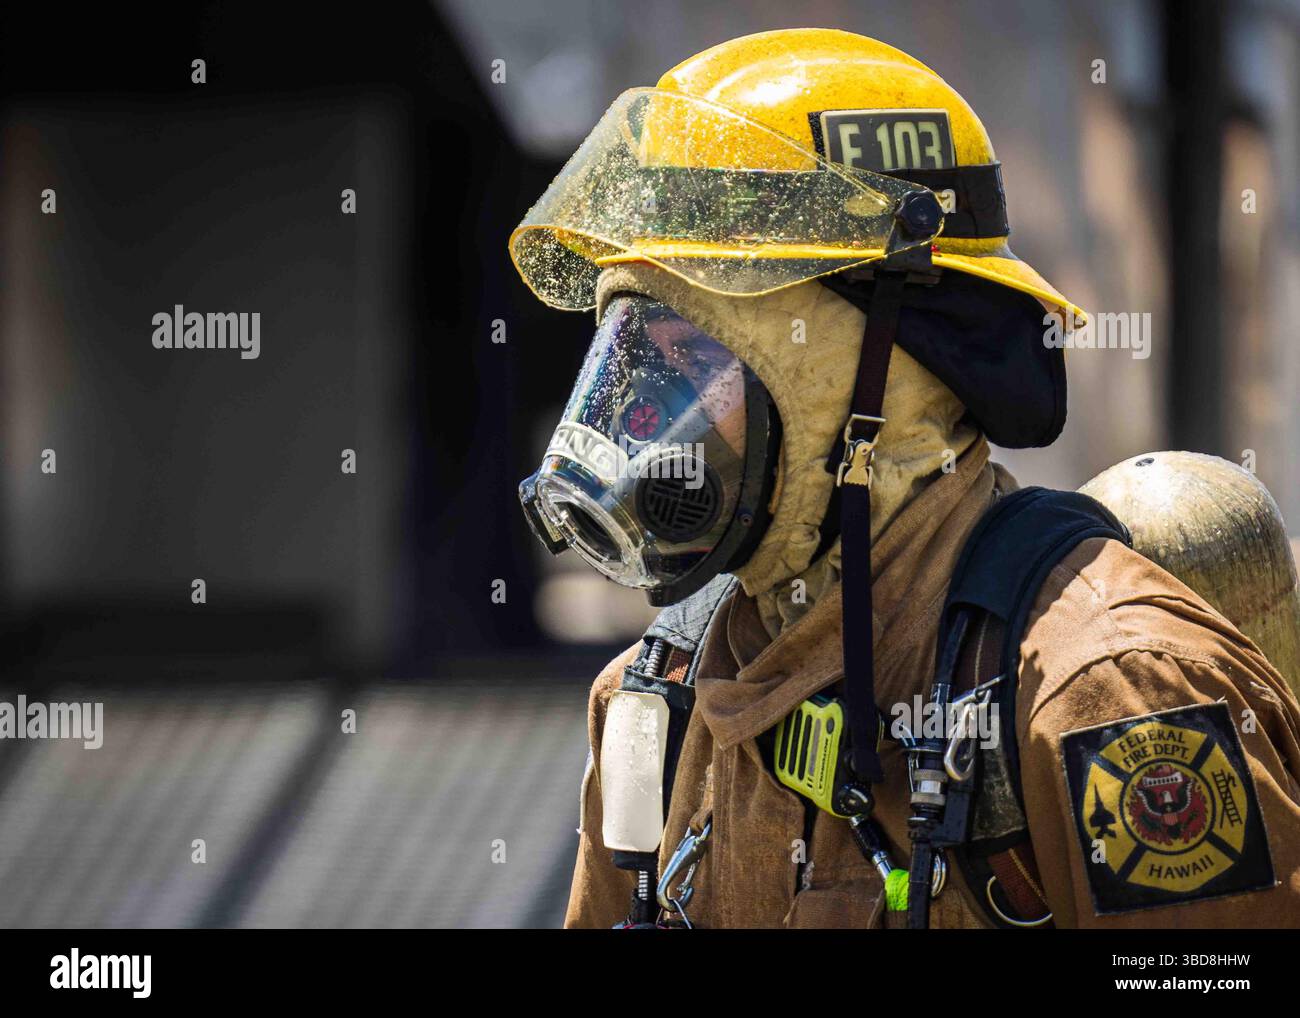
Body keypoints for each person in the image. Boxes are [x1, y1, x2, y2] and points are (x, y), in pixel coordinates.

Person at [510, 28, 1300, 928]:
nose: (642, 421)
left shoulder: (1111, 698)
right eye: (632, 353)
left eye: (691, 356)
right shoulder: (652, 705)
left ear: (868, 377)